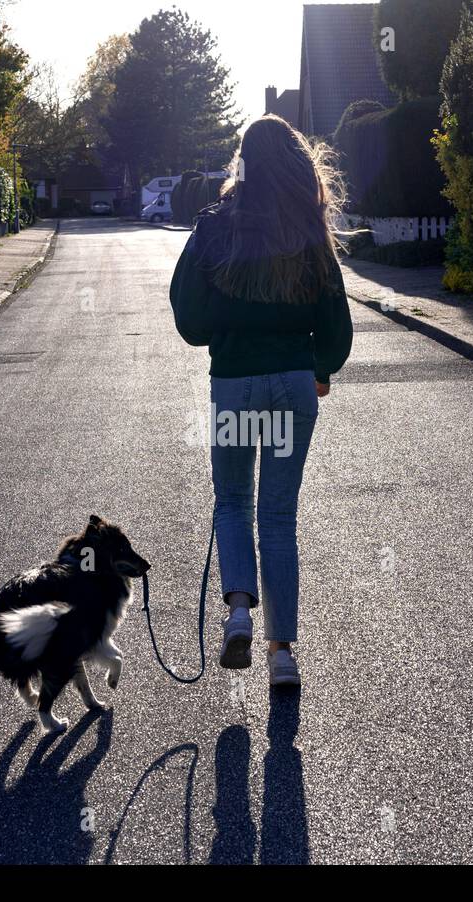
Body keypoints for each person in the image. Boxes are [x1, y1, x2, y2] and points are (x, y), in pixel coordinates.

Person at [170, 115, 353, 688]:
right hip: (294, 385)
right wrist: (319, 369)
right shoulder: (308, 230)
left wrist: (229, 329)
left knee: (231, 504)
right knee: (278, 517)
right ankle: (282, 655)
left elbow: (191, 321)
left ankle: (240, 614)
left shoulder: (214, 229)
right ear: (295, 163)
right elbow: (338, 327)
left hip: (234, 386)